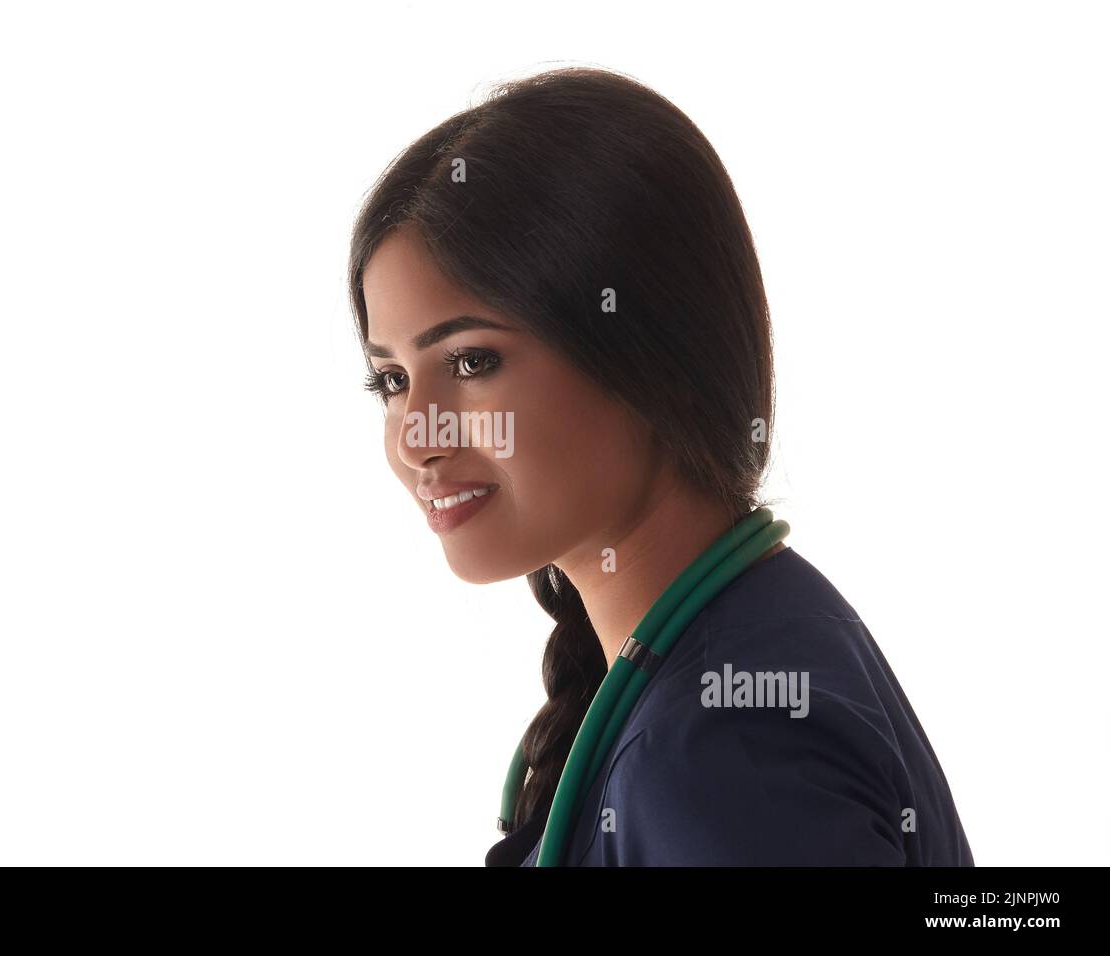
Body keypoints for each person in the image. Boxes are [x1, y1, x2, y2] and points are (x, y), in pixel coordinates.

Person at [346, 66, 973, 866]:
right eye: (392, 380)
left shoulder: (718, 750)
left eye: (471, 362)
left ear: (644, 358)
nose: (415, 435)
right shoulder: (740, 649)